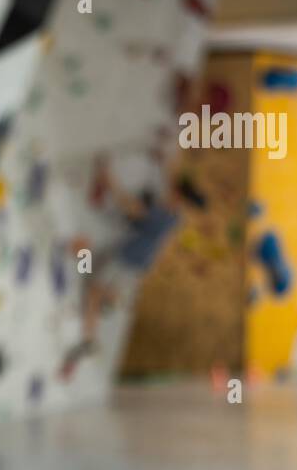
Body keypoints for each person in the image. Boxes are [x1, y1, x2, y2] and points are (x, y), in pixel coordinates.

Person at [59, 152, 201, 380]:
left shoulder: (164, 215)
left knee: (94, 288)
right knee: (102, 284)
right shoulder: (175, 215)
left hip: (128, 258)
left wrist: (107, 178)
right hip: (136, 261)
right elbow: (160, 192)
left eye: (172, 191)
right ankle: (107, 304)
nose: (168, 192)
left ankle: (89, 338)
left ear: (177, 196)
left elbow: (129, 205)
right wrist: (164, 162)